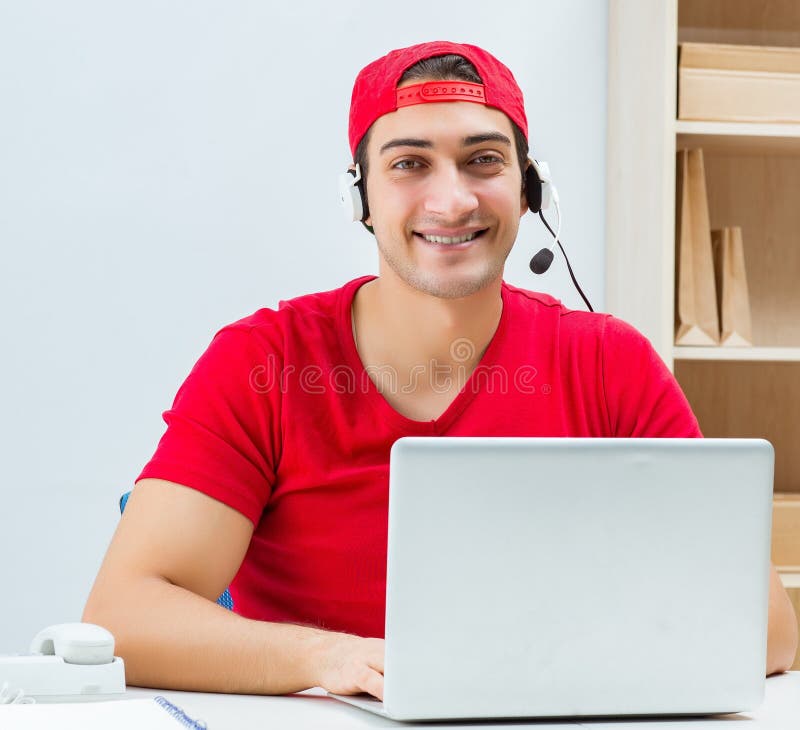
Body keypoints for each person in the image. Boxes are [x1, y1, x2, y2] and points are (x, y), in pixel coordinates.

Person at [83, 40, 798, 700]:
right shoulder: (265, 362)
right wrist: (331, 659)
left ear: (529, 189)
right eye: (409, 163)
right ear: (359, 195)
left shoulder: (608, 363)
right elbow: (125, 615)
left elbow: (767, 630)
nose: (452, 199)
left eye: (483, 160)